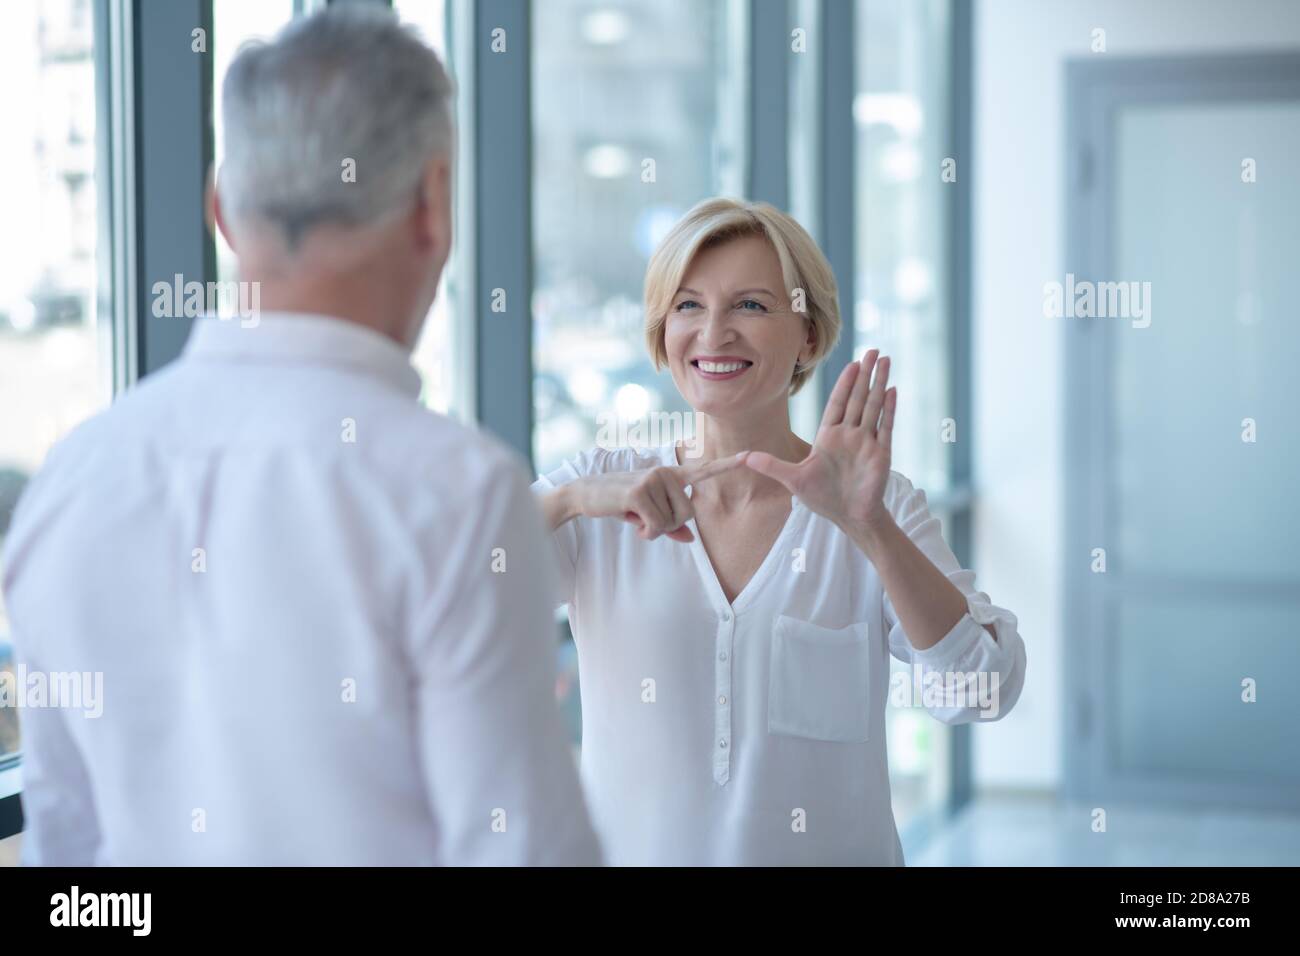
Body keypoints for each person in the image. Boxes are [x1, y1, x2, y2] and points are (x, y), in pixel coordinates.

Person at [2, 6, 600, 866]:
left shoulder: (73, 481)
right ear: (432, 204)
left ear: (221, 213)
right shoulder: (459, 496)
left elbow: (68, 857)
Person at [533, 197, 1027, 865]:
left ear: (811, 336)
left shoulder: (880, 507)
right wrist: (569, 500)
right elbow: (445, 583)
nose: (713, 333)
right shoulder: (595, 493)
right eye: (688, 305)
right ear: (661, 330)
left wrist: (870, 528)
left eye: (752, 306)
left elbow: (982, 691)